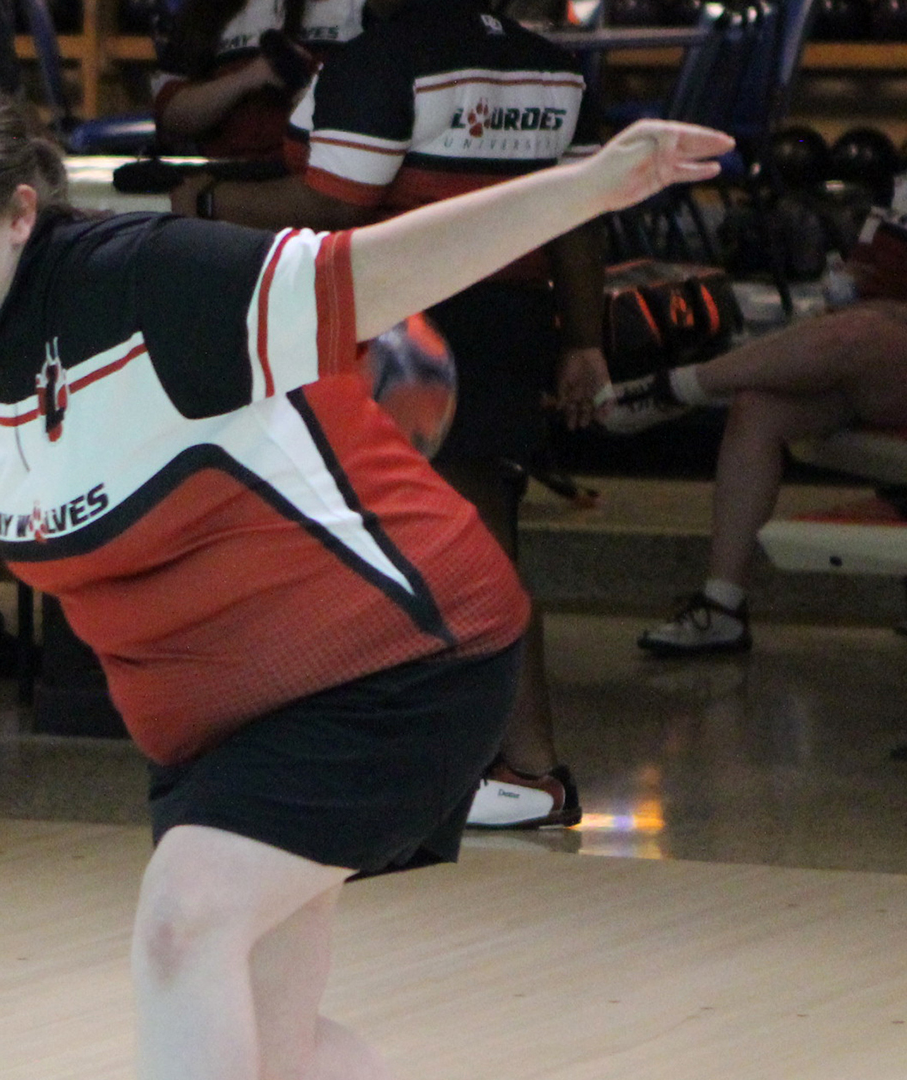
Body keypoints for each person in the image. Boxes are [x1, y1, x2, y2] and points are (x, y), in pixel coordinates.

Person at [0, 77, 726, 1079]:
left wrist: (590, 186)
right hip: (226, 720)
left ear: (17, 215)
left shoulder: (145, 279)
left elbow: (372, 273)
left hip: (388, 665)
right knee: (279, 1050)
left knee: (186, 926)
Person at [166, 0, 608, 828]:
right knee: (468, 539)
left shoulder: (382, 59)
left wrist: (205, 204)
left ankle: (526, 770)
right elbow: (581, 213)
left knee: (442, 551)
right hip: (509, 321)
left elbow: (334, 199)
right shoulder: (554, 66)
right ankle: (497, 764)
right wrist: (586, 338)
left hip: (416, 328)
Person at [592, 22, 907, 658]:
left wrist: (892, 311)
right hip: (896, 366)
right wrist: (852, 282)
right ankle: (721, 605)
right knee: (759, 407)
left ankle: (677, 388)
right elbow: (872, 272)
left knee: (868, 330)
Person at [150, 0, 366, 160]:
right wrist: (248, 78)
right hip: (223, 178)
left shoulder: (356, 8)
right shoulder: (202, 15)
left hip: (321, 178)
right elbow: (171, 117)